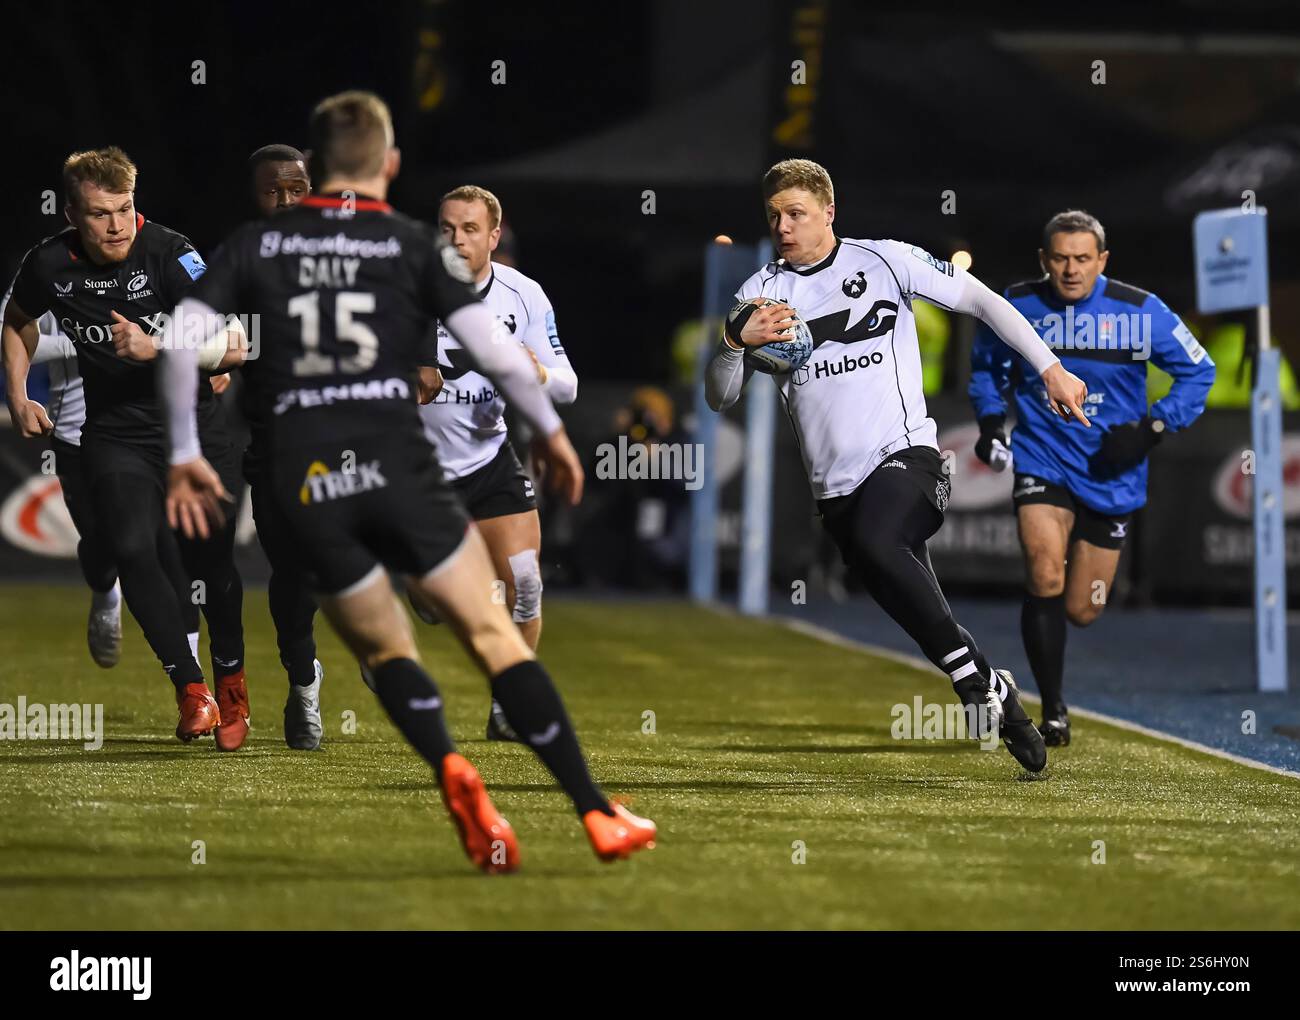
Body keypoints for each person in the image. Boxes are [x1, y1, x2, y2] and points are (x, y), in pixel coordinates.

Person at [159, 91, 655, 871]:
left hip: (308, 473)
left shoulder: (259, 243)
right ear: (389, 164)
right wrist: (555, 435)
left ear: (315, 167)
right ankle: (595, 810)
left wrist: (185, 448)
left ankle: (452, 768)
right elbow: (494, 352)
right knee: (493, 632)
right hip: (400, 463)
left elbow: (185, 337)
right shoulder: (410, 245)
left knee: (388, 650)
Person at [706, 158, 1090, 774]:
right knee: (915, 607)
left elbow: (984, 302)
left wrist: (1050, 367)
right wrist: (733, 343)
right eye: (774, 216)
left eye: (797, 213)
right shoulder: (758, 295)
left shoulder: (885, 261)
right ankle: (997, 692)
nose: (784, 226)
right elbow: (720, 396)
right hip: (835, 491)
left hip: (906, 458)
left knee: (881, 542)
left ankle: (972, 688)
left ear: (829, 212)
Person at [2, 147, 249, 748]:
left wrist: (157, 348)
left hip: (193, 427)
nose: (115, 225)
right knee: (132, 548)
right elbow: (17, 320)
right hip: (116, 431)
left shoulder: (169, 251)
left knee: (211, 567)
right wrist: (16, 395)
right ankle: (193, 691)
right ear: (71, 213)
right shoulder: (50, 262)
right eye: (99, 213)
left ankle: (233, 679)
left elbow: (237, 342)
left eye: (124, 209)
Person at [969, 209, 1214, 745]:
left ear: (1102, 260)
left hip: (1112, 471)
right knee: (1043, 571)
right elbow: (988, 369)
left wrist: (1151, 427)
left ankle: (1054, 672)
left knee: (1082, 607)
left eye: (1083, 258)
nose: (1071, 269)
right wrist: (991, 423)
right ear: (1043, 260)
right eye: (1060, 258)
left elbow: (1201, 371)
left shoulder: (1141, 309)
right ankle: (1052, 708)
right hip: (1042, 460)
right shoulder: (1017, 304)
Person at [418, 184, 578, 741]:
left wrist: (536, 375)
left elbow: (568, 384)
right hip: (416, 469)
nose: (457, 240)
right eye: (446, 228)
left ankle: (509, 705)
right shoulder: (407, 287)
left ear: (493, 234)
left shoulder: (523, 295)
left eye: (469, 229)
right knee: (437, 601)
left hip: (488, 459)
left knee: (526, 583)